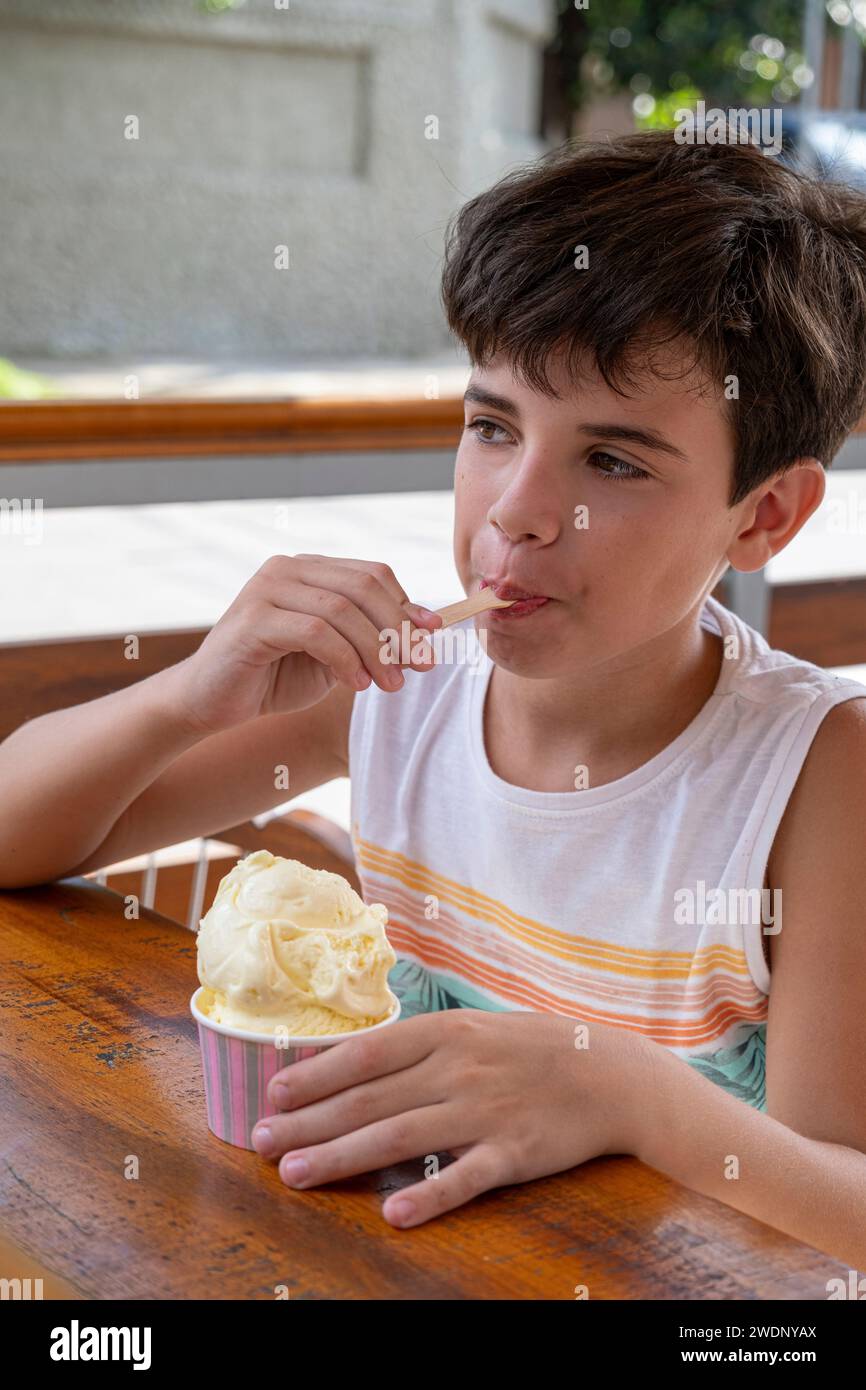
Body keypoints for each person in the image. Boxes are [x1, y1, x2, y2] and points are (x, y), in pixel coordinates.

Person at [2, 130, 865, 1264]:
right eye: (491, 426)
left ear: (760, 516)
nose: (514, 509)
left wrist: (618, 1089)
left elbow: (842, 1206)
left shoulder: (814, 777)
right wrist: (188, 694)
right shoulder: (397, 689)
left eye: (610, 462)